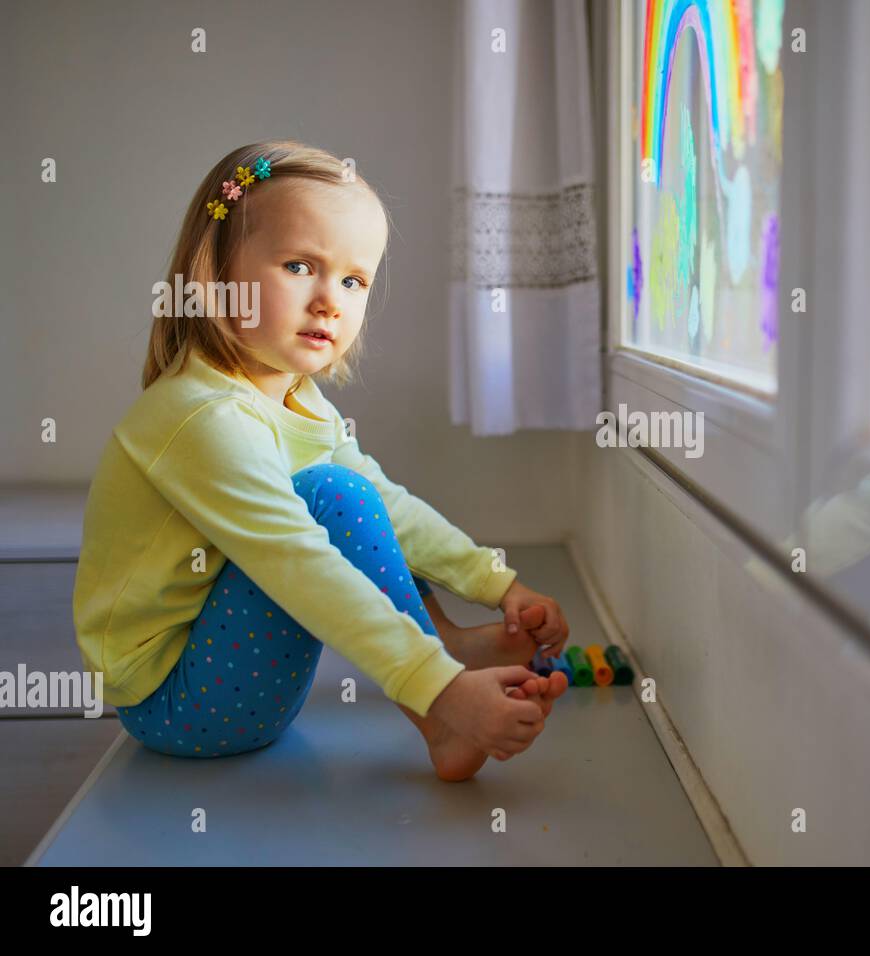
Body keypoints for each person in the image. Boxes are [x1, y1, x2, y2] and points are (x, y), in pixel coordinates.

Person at [73, 141, 568, 781]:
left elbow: (391, 510)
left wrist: (497, 583)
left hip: (230, 679)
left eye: (354, 280)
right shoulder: (202, 419)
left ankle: (443, 648)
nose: (331, 299)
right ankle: (439, 715)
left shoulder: (299, 399)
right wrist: (441, 692)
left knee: (362, 501)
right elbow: (298, 563)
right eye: (301, 265)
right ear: (219, 273)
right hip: (178, 706)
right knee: (336, 496)